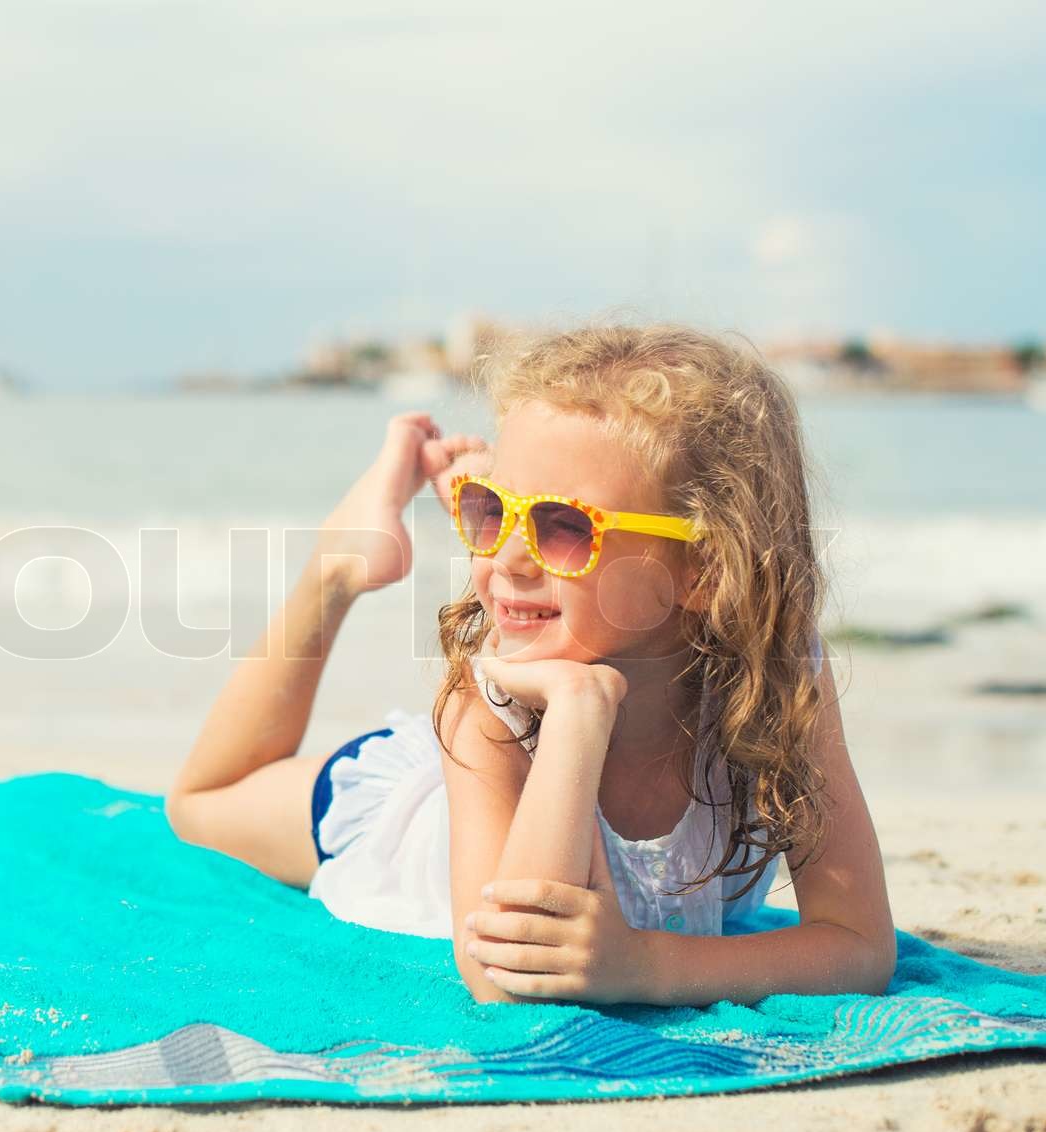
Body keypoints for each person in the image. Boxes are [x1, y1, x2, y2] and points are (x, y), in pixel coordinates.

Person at [165, 324, 896, 1007]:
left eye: (564, 525)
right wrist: (579, 714)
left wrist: (645, 964)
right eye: (490, 512)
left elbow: (860, 945)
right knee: (199, 805)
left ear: (704, 569)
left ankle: (476, 476)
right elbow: (504, 975)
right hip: (413, 816)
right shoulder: (482, 707)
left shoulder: (778, 675)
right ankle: (339, 561)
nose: (505, 559)